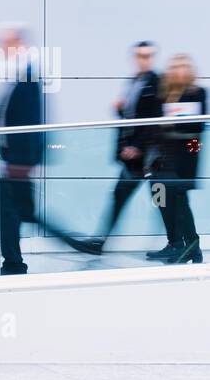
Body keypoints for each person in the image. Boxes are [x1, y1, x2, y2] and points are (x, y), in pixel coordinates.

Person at [0, 25, 96, 276]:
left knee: (13, 210)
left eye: (7, 43)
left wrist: (22, 161)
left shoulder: (28, 76)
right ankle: (77, 245)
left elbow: (31, 121)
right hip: (14, 160)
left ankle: (15, 263)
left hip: (18, 162)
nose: (2, 48)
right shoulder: (19, 75)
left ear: (18, 44)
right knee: (19, 210)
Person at [85, 41, 165, 254]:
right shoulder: (134, 82)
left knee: (162, 201)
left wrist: (138, 146)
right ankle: (99, 241)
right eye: (140, 55)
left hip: (150, 158)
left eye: (148, 56)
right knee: (121, 196)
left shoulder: (156, 83)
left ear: (153, 57)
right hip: (134, 159)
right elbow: (134, 119)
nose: (144, 59)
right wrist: (120, 111)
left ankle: (175, 242)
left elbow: (155, 120)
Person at [152, 53, 205, 264]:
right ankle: (174, 243)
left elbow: (197, 128)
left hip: (185, 157)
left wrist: (173, 124)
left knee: (180, 201)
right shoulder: (164, 94)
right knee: (161, 200)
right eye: (175, 67)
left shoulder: (198, 92)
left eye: (183, 66)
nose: (179, 71)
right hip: (162, 158)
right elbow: (155, 125)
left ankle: (193, 246)